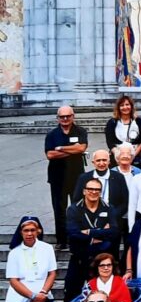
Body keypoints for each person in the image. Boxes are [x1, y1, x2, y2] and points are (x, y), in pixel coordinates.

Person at [65, 175, 122, 299]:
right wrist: (101, 233)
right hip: (79, 258)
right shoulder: (74, 209)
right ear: (84, 191)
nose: (93, 192)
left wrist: (89, 232)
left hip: (101, 260)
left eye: (97, 189)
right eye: (90, 189)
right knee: (71, 294)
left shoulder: (109, 208)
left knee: (102, 296)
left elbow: (114, 232)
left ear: (100, 192)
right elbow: (73, 233)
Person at [45, 106, 89, 248]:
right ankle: (62, 240)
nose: (65, 119)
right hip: (57, 177)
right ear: (57, 118)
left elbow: (82, 148)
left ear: (73, 116)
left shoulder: (81, 131)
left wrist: (61, 148)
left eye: (68, 116)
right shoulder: (52, 134)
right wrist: (73, 149)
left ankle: (77, 237)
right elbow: (50, 155)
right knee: (59, 209)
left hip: (76, 176)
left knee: (78, 208)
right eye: (62, 117)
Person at [106, 95, 141, 161]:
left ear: (131, 106)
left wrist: (133, 155)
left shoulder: (139, 122)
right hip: (117, 156)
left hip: (136, 157)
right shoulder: (112, 122)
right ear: (118, 108)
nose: (125, 107)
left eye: (127, 104)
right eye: (122, 105)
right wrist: (118, 155)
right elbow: (110, 142)